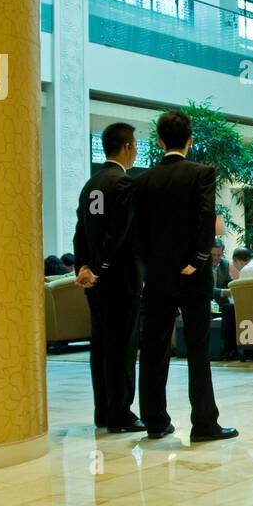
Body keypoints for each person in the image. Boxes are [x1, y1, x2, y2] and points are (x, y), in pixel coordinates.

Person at [133, 110, 237, 442]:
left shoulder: (143, 180)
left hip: (158, 276)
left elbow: (138, 232)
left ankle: (154, 420)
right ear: (189, 140)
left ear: (160, 140)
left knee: (153, 348)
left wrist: (151, 266)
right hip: (194, 276)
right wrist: (197, 259)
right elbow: (206, 218)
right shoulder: (202, 173)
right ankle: (204, 423)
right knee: (197, 347)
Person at [72, 122, 146, 433]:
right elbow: (118, 235)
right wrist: (100, 267)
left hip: (95, 282)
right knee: (123, 346)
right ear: (128, 147)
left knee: (101, 344)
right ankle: (121, 413)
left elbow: (80, 234)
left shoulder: (91, 185)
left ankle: (103, 410)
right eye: (135, 146)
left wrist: (84, 268)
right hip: (120, 279)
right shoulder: (123, 184)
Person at [211, 239, 237, 358]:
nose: (216, 258)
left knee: (231, 310)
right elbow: (202, 289)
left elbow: (229, 282)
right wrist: (223, 292)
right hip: (203, 301)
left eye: (219, 255)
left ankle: (230, 349)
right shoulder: (201, 264)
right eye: (213, 255)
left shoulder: (224, 264)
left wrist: (237, 287)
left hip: (220, 303)